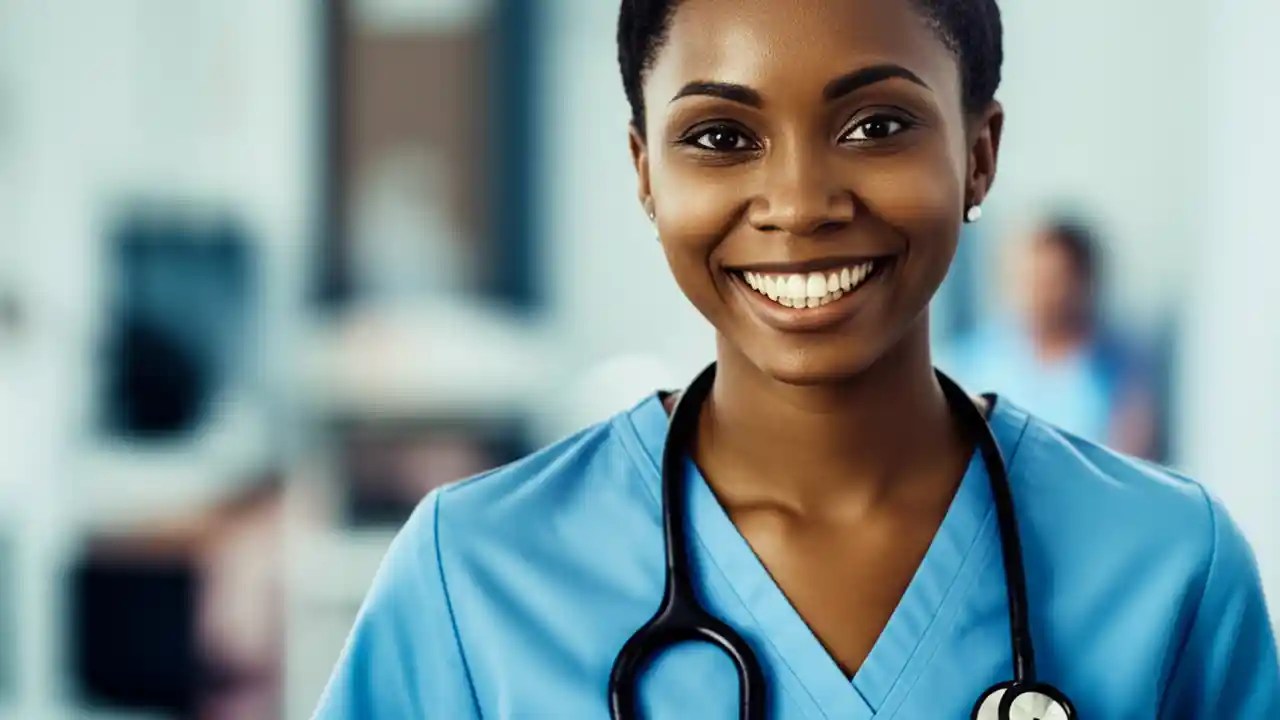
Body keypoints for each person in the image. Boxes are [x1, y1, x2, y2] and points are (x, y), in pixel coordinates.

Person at [314, 1, 1280, 717]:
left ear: (980, 154)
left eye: (877, 126)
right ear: (646, 172)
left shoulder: (1169, 567)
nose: (800, 200)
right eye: (721, 137)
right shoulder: (476, 575)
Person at [940, 218, 1161, 459]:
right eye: (1029, 279)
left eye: (1051, 281)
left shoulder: (1119, 374)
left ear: (1082, 283)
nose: (1037, 294)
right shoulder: (970, 362)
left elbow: (1128, 465)